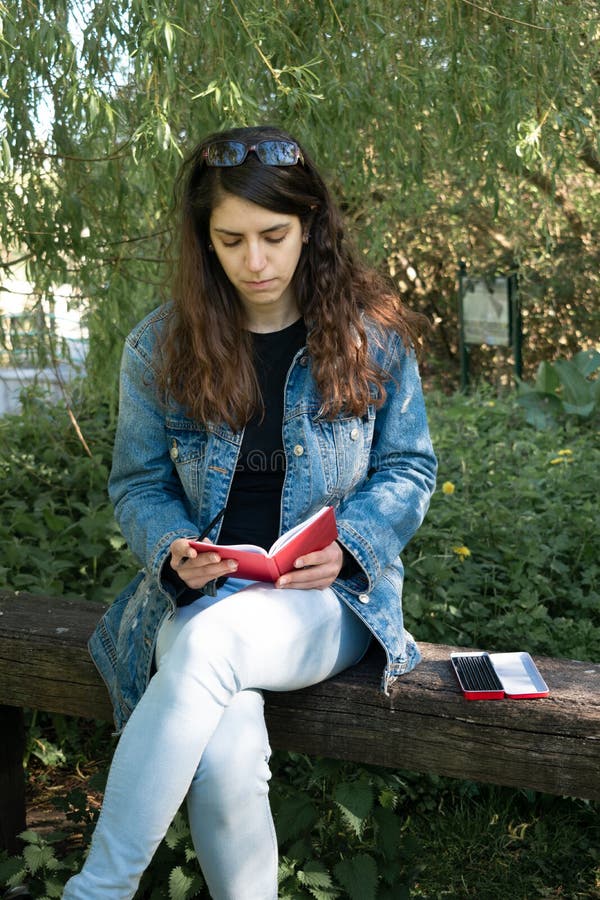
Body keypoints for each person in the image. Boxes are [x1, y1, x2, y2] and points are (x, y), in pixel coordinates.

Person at [62, 124, 437, 900]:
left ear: (311, 228)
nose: (255, 261)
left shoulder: (373, 337)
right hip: (203, 594)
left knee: (208, 648)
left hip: (326, 601)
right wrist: (172, 547)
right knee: (225, 728)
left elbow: (409, 468)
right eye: (231, 241)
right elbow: (136, 485)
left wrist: (355, 544)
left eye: (274, 235)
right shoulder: (160, 346)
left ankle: (96, 891)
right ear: (206, 242)